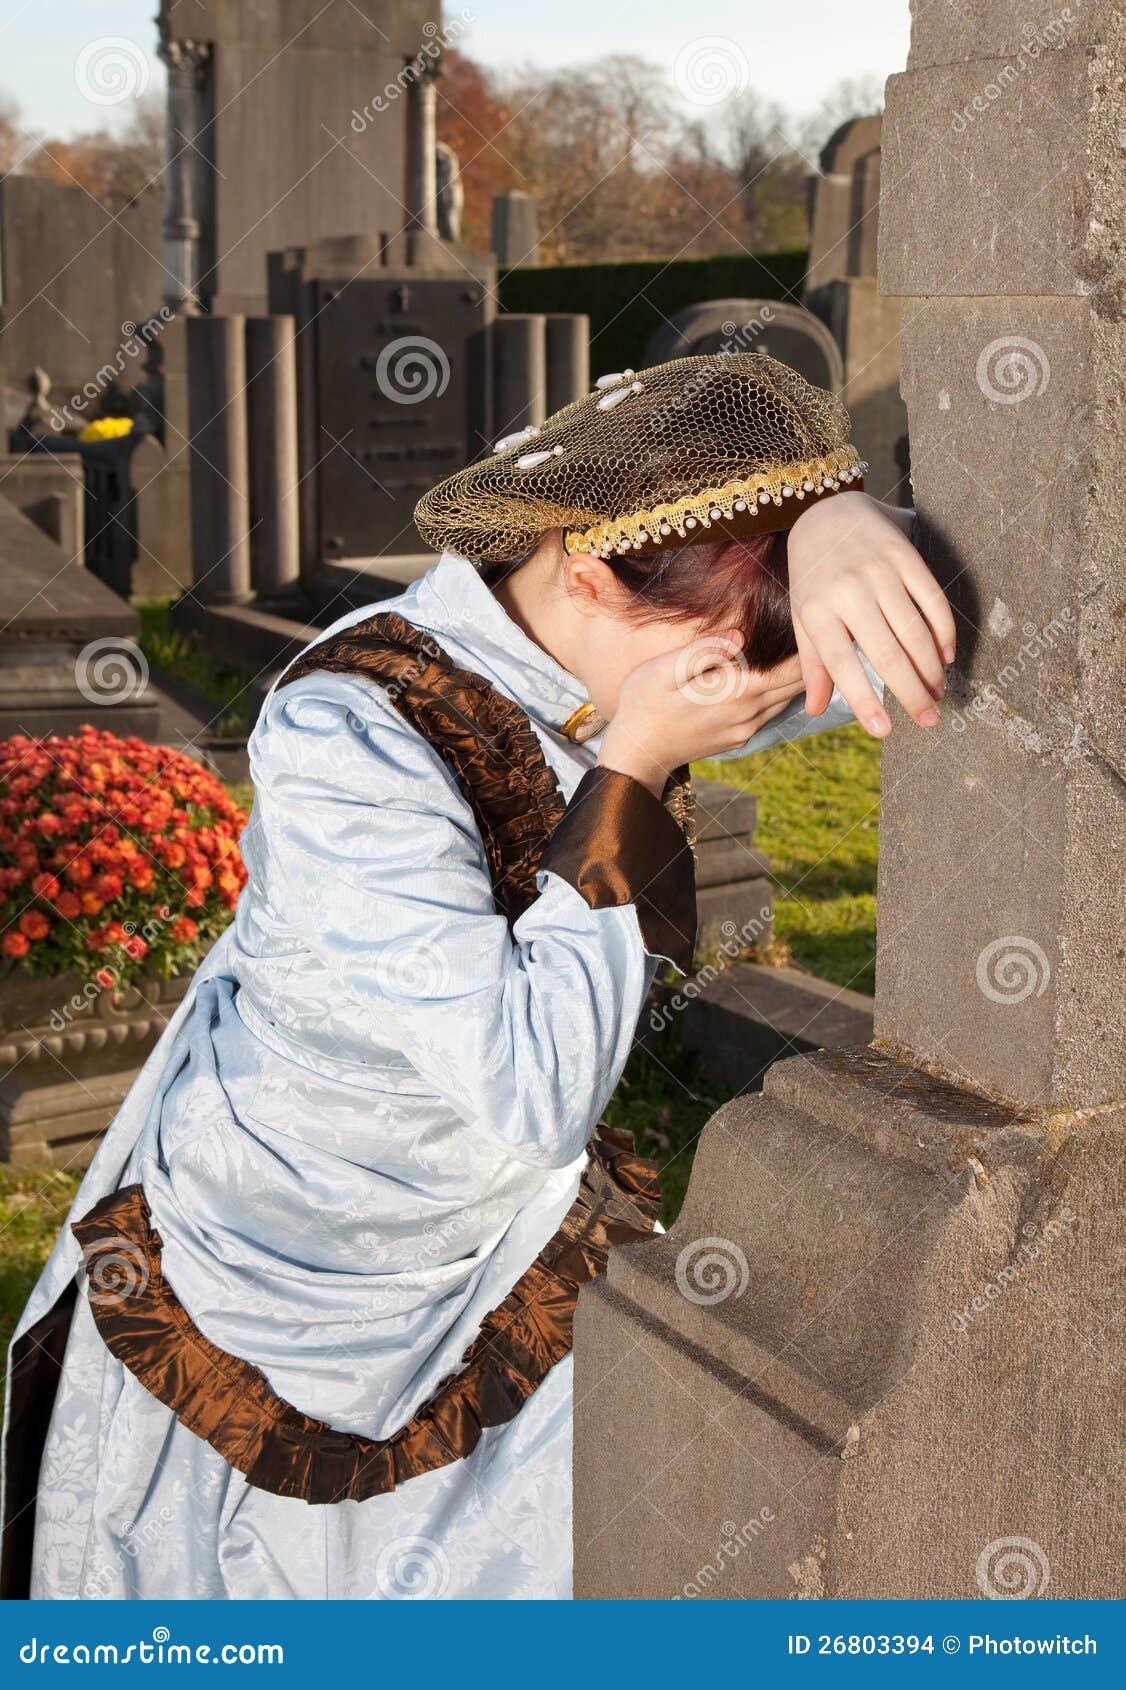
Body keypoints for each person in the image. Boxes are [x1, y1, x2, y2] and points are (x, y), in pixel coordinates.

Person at [2, 354, 954, 1601]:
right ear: (588, 565)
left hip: (498, 1236)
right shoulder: (349, 727)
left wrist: (839, 518)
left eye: (756, 657)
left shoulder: (646, 648)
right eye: (717, 655)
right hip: (299, 1260)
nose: (742, 693)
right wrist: (633, 771)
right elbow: (526, 1091)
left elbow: (905, 636)